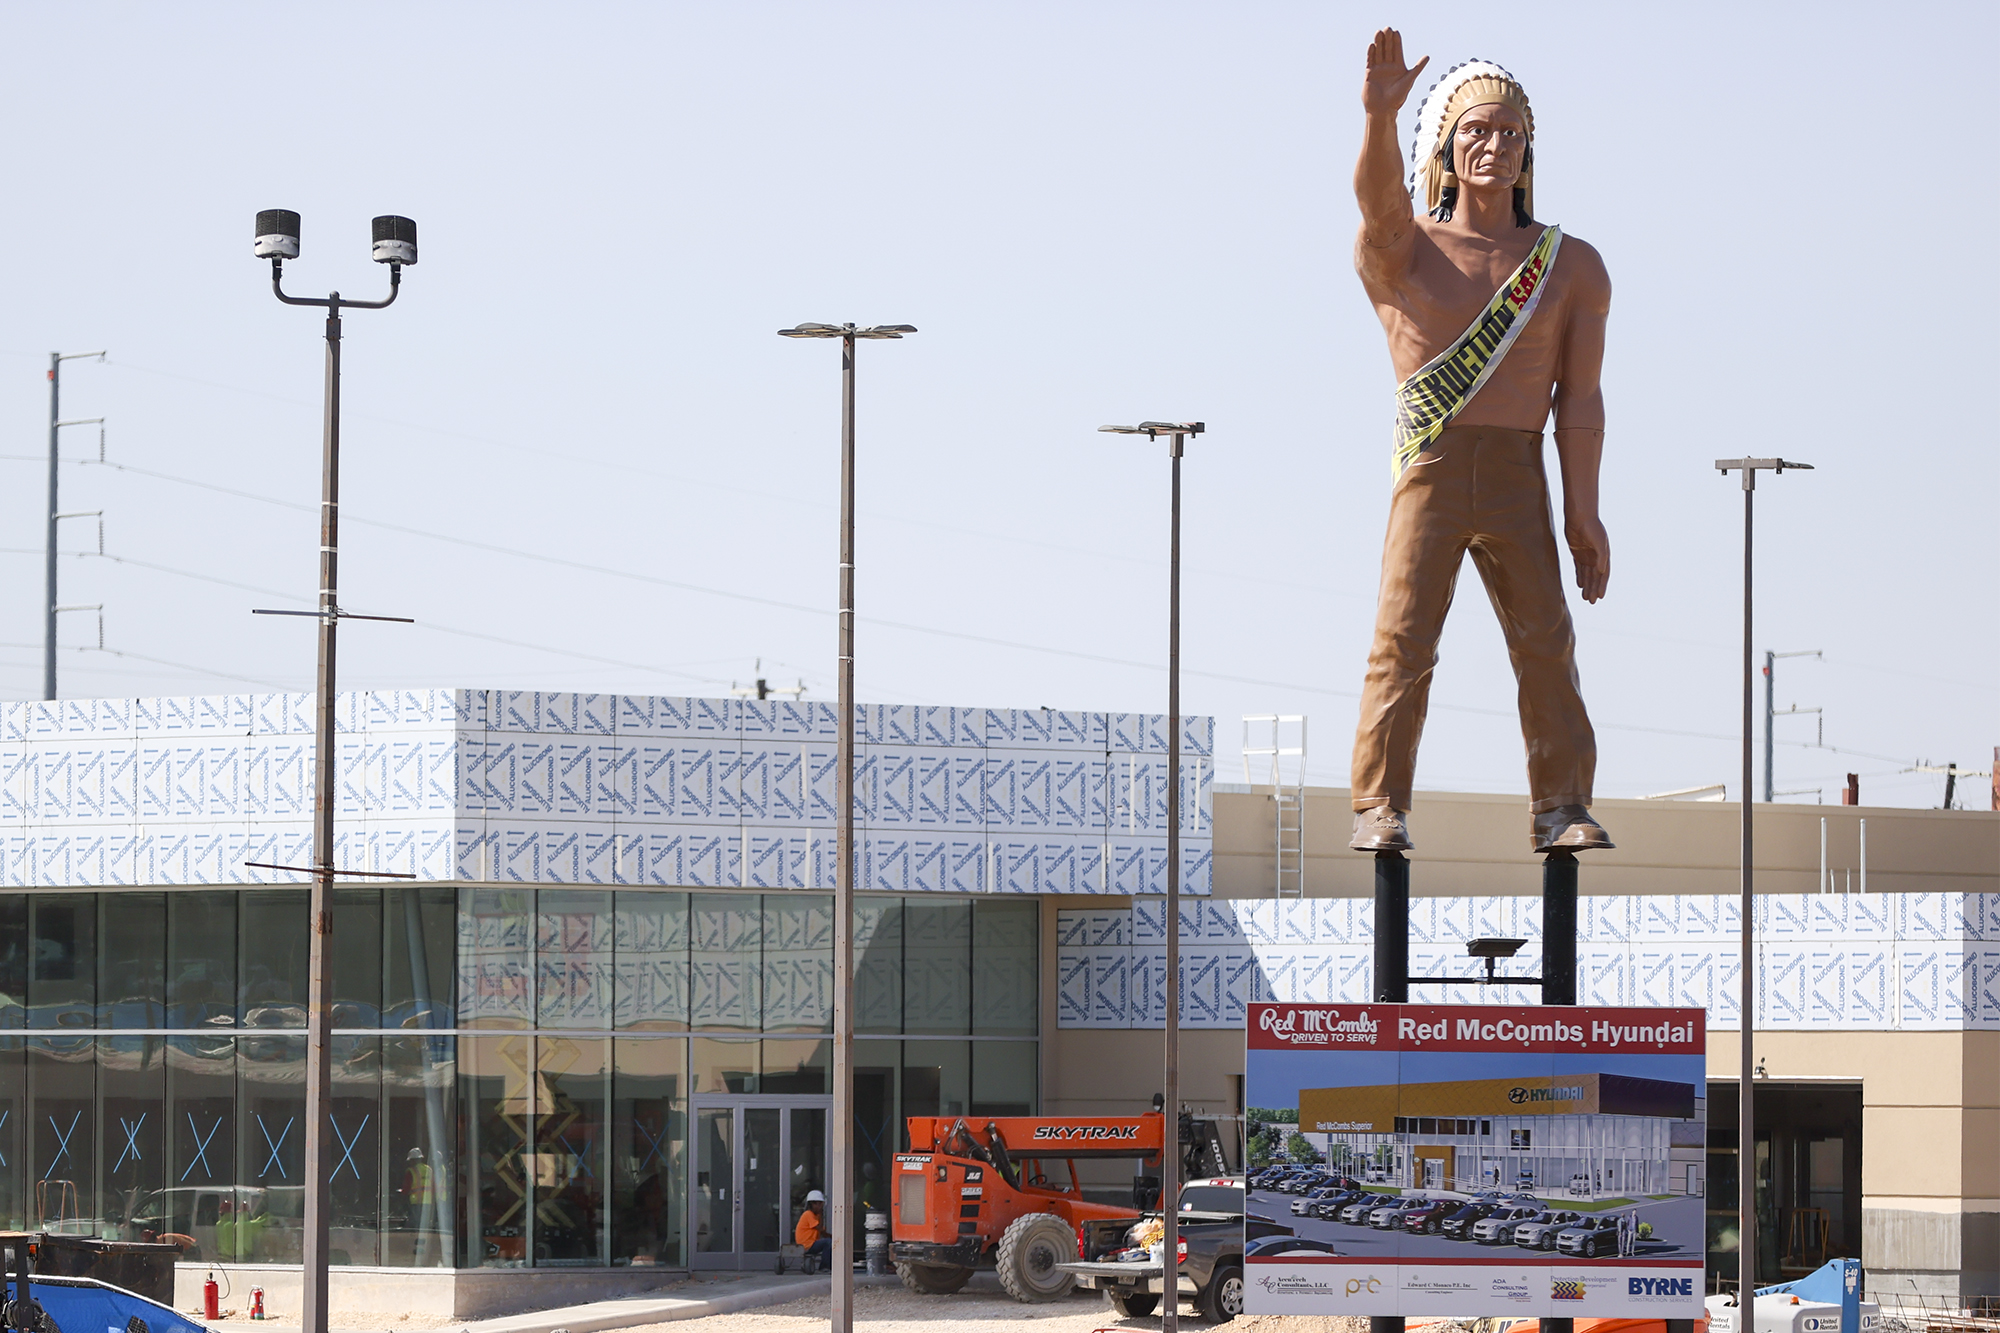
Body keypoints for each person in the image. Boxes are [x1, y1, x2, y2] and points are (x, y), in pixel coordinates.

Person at [1346, 29, 1616, 855]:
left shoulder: (1572, 266)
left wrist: (1584, 511)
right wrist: (1379, 118)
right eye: (1476, 130)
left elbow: (1580, 397)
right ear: (1445, 147)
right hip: (1430, 465)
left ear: (1530, 149)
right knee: (1403, 639)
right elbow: (1377, 205)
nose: (1495, 144)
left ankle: (1562, 804)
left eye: (1510, 131)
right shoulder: (1405, 250)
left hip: (1517, 468)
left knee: (1546, 642)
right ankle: (1379, 802)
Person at [796, 1190, 831, 1270]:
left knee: (830, 1241)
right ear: (812, 1204)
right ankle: (824, 1266)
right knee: (828, 1242)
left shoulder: (815, 1216)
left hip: (812, 1243)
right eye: (819, 1204)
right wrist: (821, 1214)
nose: (821, 1206)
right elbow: (819, 1227)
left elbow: (822, 1232)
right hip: (807, 1245)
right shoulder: (808, 1214)